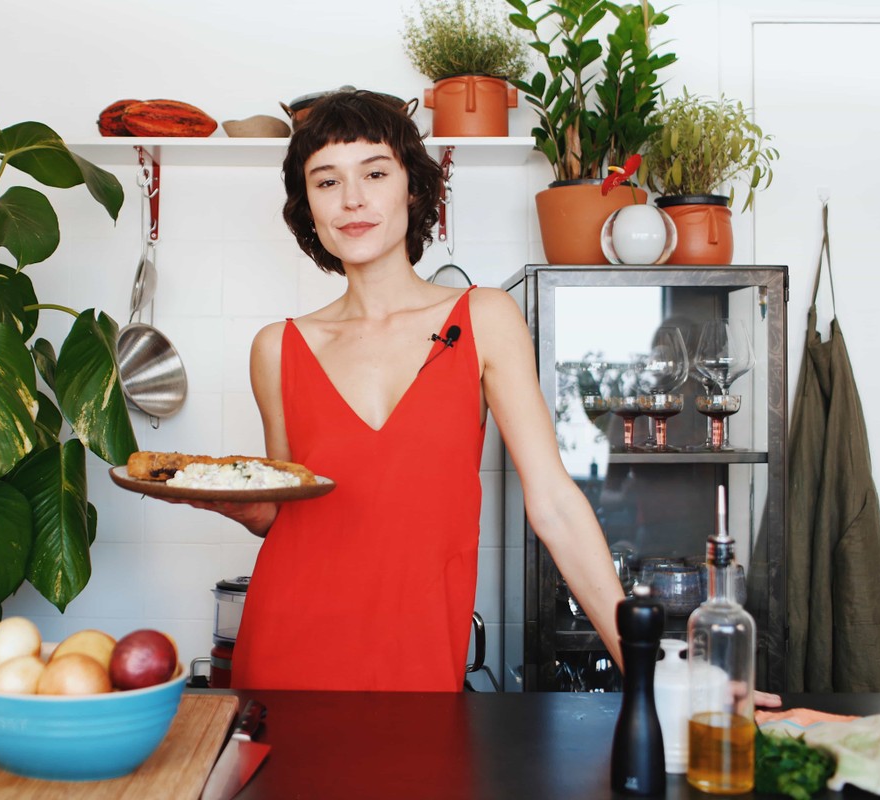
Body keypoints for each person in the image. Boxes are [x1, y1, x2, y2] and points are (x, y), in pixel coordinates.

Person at [170, 89, 625, 692]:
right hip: (286, 651)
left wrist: (648, 667)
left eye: (375, 173)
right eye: (326, 181)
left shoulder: (485, 317)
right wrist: (233, 502)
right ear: (308, 205)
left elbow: (556, 507)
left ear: (412, 188)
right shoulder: (277, 348)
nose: (352, 199)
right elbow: (282, 512)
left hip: (419, 659)